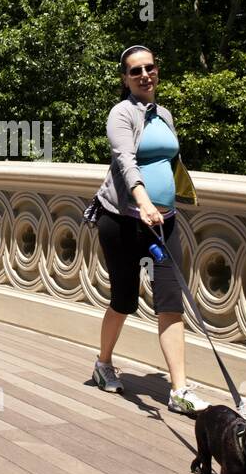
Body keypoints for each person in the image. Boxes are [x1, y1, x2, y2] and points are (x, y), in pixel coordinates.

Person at [89, 45, 208, 414]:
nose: (144, 75)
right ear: (125, 79)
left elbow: (170, 161)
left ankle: (179, 390)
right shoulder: (121, 113)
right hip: (123, 219)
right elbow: (125, 161)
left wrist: (167, 201)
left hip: (165, 221)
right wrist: (142, 203)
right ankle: (103, 363)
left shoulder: (164, 114)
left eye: (150, 68)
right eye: (135, 71)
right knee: (123, 300)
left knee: (171, 302)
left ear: (157, 71)